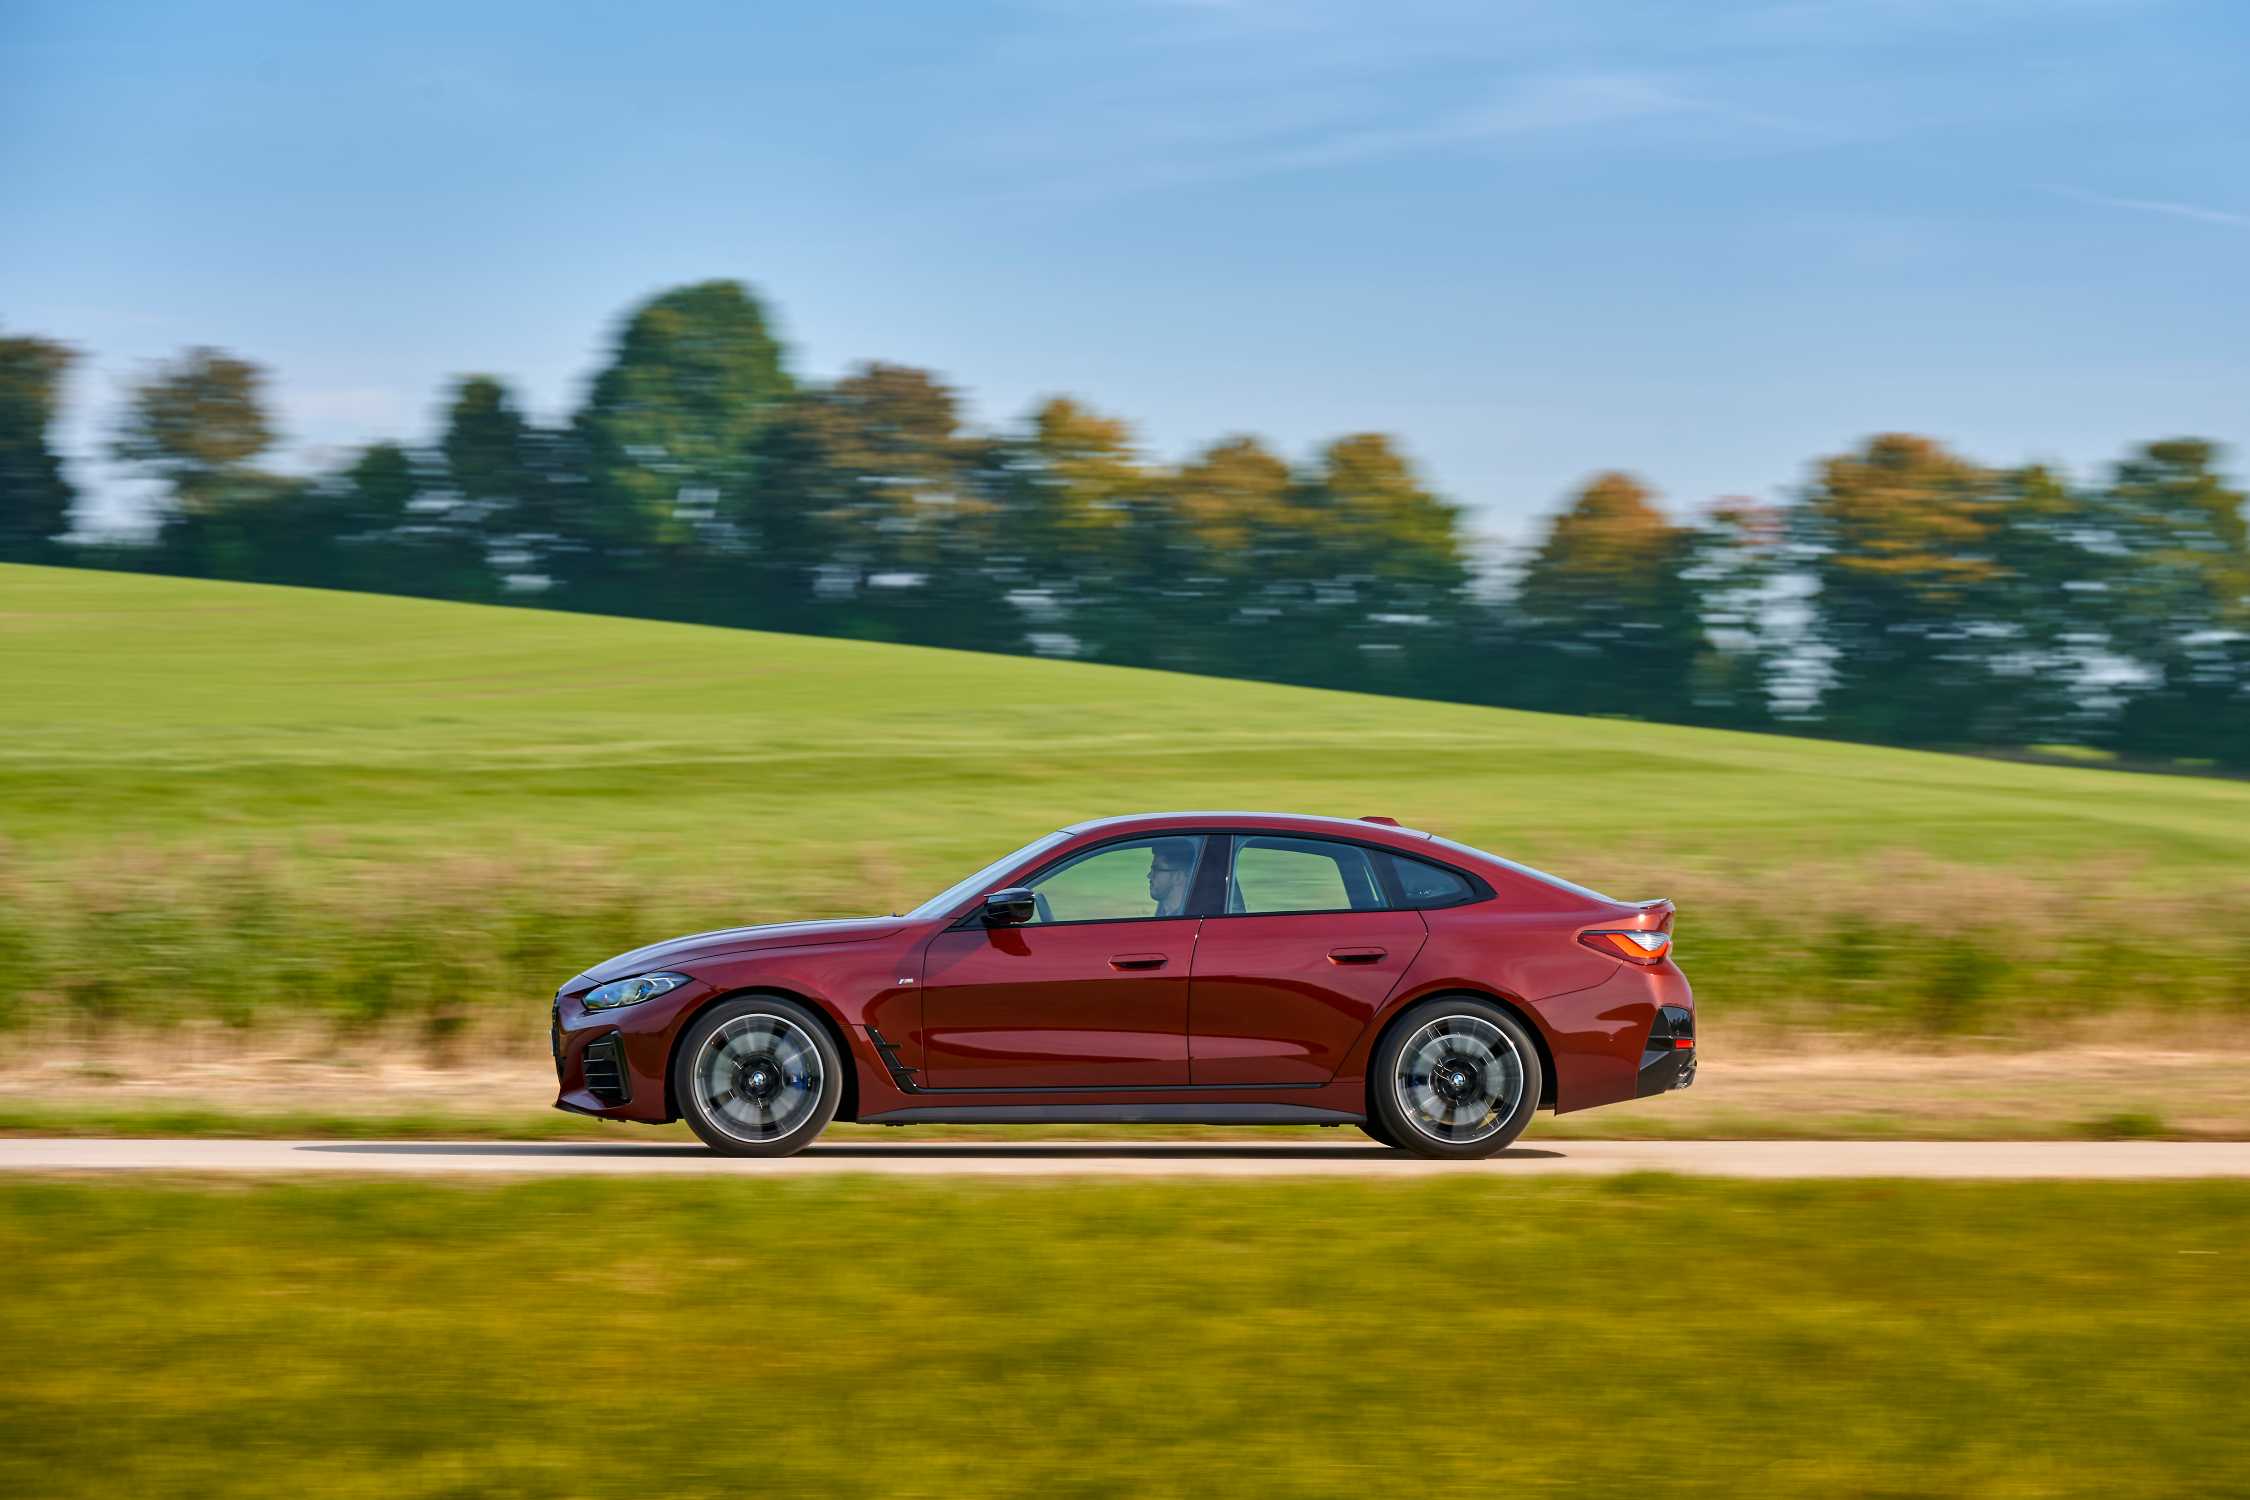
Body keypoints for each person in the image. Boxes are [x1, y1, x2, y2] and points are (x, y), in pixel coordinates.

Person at [1146, 838, 1197, 918]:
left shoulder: (1188, 918)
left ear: (1178, 877)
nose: (1149, 875)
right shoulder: (1164, 912)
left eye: (1157, 869)